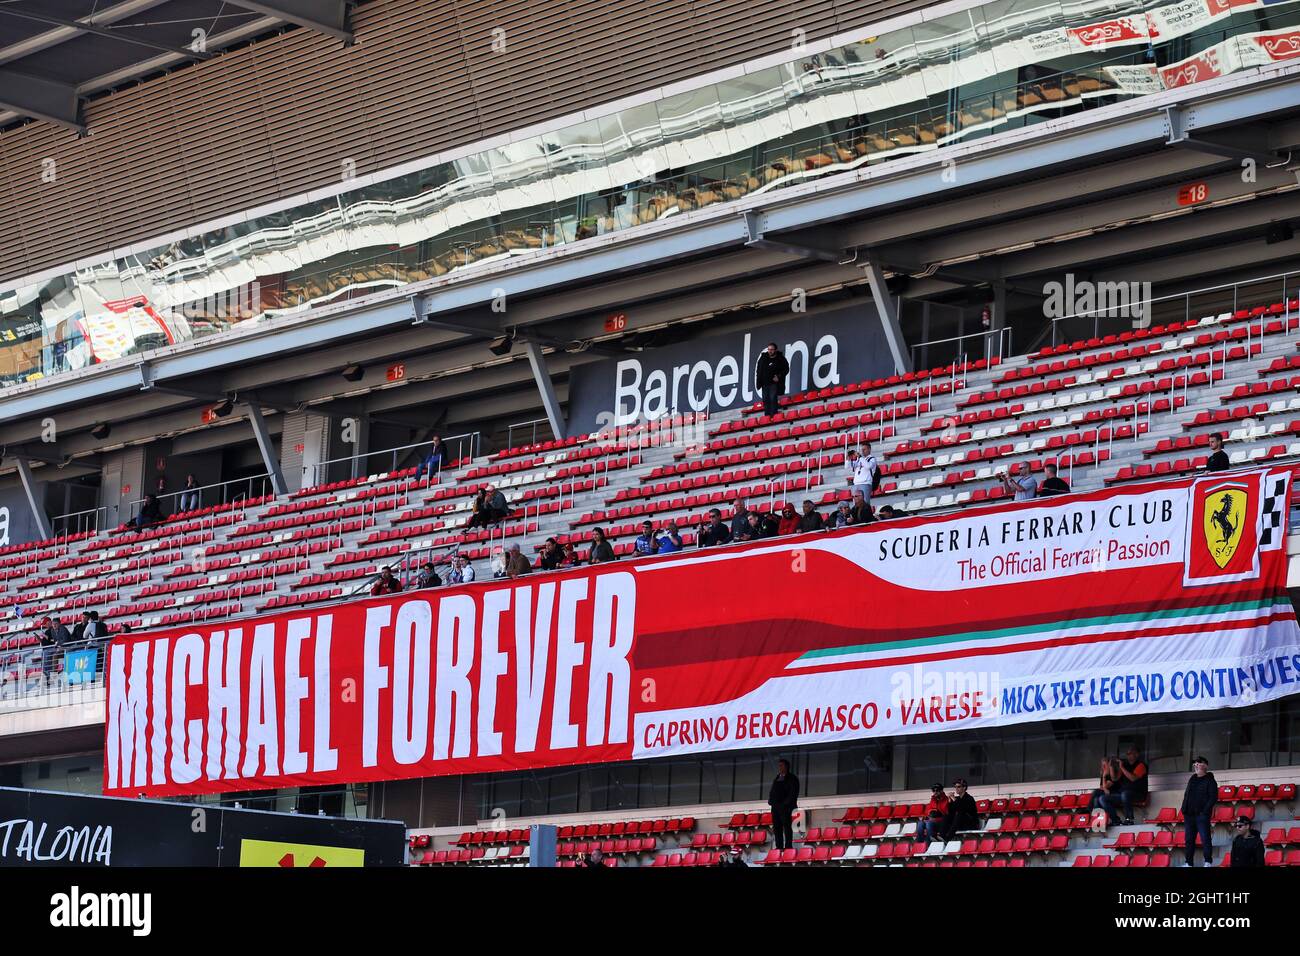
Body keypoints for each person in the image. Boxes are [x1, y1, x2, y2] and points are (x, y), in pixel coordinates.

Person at [1180, 756, 1218, 866]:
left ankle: (1207, 862)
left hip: (1201, 816)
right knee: (1189, 840)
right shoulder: (1192, 779)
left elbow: (1213, 798)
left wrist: (1204, 811)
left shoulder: (1210, 781)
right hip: (1189, 815)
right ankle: (1188, 863)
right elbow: (1186, 794)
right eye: (1194, 763)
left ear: (1205, 765)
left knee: (1205, 838)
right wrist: (1184, 809)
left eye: (1199, 763)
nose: (1196, 765)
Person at [1104, 745, 1148, 826]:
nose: (1128, 755)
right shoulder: (1125, 765)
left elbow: (1133, 778)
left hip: (1138, 794)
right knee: (1103, 798)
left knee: (1125, 794)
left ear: (1136, 754)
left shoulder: (1141, 765)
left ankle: (1129, 819)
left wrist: (1121, 767)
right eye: (1127, 753)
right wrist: (1111, 767)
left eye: (1130, 753)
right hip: (1124, 794)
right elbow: (1115, 779)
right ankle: (1115, 819)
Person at [768, 758, 799, 851]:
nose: (780, 767)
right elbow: (772, 791)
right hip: (776, 808)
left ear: (786, 766)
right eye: (779, 765)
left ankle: (788, 846)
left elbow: (793, 794)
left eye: (781, 765)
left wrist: (784, 804)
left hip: (786, 808)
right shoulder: (777, 778)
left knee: (787, 827)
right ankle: (779, 846)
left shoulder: (792, 778)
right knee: (777, 828)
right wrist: (771, 801)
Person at [755, 342, 790, 418]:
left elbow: (786, 369)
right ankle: (767, 416)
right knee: (765, 399)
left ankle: (774, 415)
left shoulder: (780, 358)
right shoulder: (763, 358)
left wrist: (779, 376)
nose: (770, 351)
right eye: (769, 349)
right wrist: (759, 380)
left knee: (772, 398)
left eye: (772, 349)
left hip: (774, 383)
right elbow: (758, 370)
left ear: (776, 350)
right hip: (764, 383)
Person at [1089, 756, 1124, 825]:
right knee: (1096, 799)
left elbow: (1105, 786)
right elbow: (1101, 787)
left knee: (1098, 794)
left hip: (1116, 795)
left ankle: (1090, 810)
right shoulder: (1104, 774)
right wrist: (1104, 788)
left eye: (1105, 765)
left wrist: (1104, 776)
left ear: (1110, 766)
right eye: (1102, 765)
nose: (1103, 767)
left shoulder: (1113, 774)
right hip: (1108, 794)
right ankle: (1099, 820)